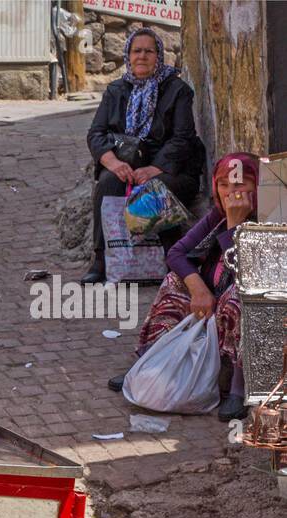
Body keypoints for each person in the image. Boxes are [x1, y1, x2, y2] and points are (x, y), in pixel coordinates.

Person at [108, 152, 258, 421]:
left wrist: (236, 225)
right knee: (173, 282)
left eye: (241, 183)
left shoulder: (270, 221)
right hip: (209, 300)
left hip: (238, 308)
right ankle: (148, 361)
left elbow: (245, 274)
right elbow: (176, 253)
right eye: (224, 184)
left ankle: (239, 388)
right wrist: (197, 287)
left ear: (258, 186)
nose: (231, 193)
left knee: (240, 295)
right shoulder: (216, 216)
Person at [83, 26, 202, 283]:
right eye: (137, 51)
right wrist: (113, 163)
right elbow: (96, 134)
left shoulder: (177, 90)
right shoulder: (116, 90)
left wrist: (154, 168)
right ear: (128, 55)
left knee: (154, 189)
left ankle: (172, 260)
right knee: (107, 184)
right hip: (126, 164)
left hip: (172, 169)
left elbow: (184, 138)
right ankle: (102, 260)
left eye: (149, 51)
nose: (142, 56)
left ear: (158, 55)